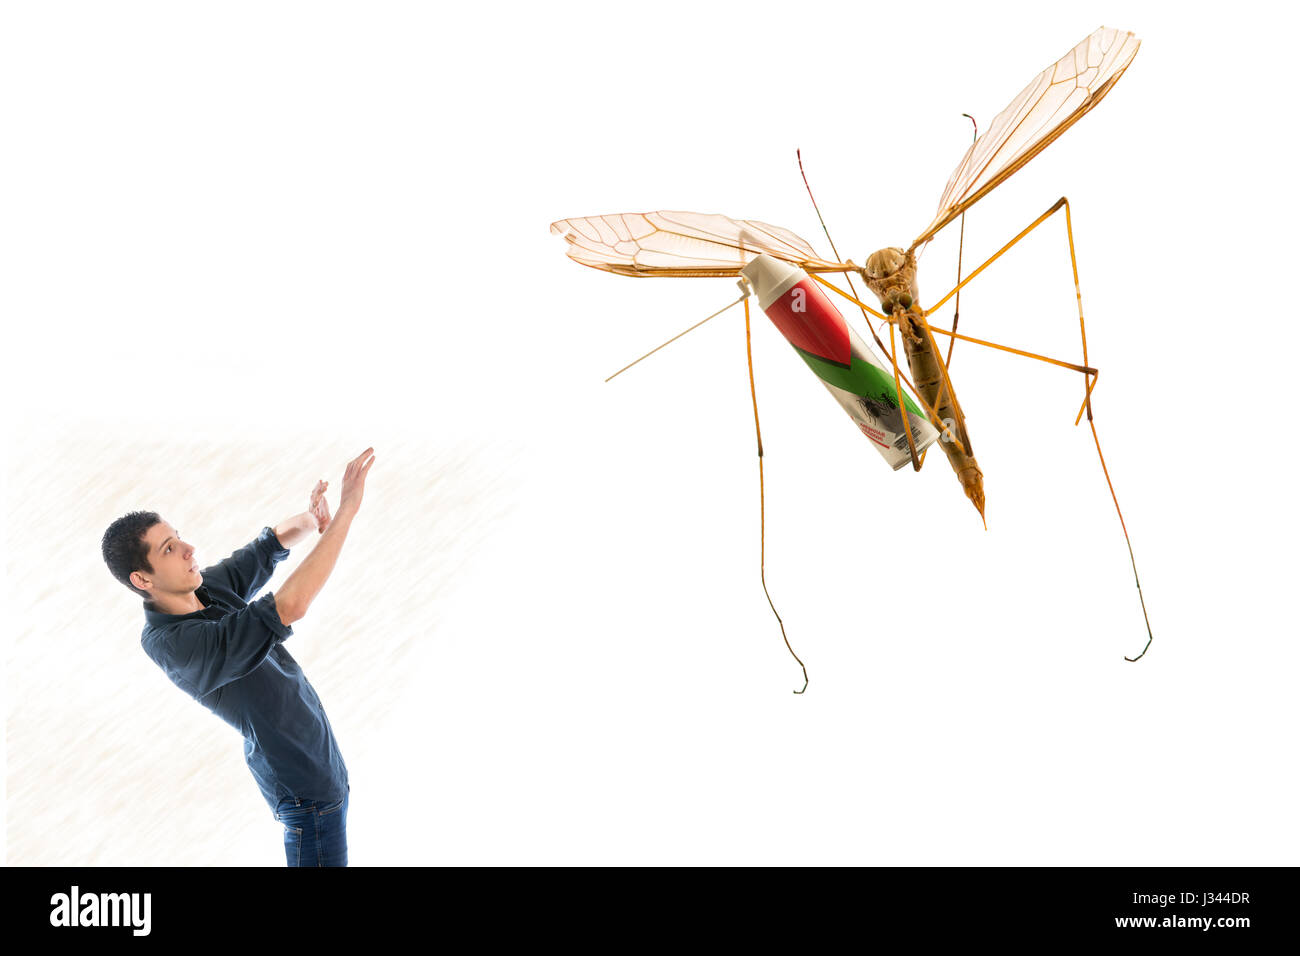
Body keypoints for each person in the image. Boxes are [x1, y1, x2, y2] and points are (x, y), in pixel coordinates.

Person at [101, 447, 376, 867]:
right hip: (308, 797)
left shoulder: (202, 589)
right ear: (142, 579)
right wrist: (345, 515)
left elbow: (266, 547)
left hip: (322, 777)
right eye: (171, 548)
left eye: (180, 537)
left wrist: (312, 520)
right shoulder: (176, 645)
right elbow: (290, 606)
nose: (190, 549)